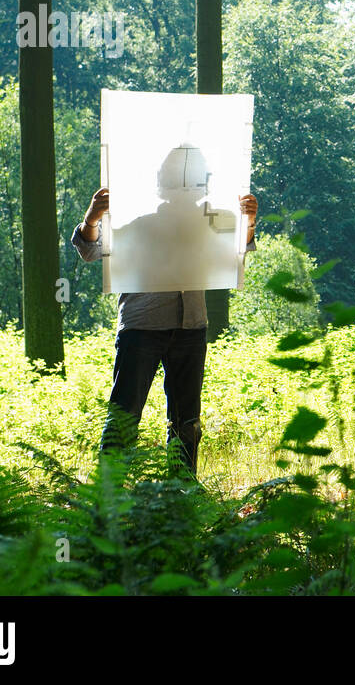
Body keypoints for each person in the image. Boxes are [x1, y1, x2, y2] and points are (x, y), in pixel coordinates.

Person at [72, 152, 258, 477]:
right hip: (141, 328)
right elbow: (90, 251)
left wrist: (249, 222)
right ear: (162, 186)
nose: (184, 190)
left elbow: (235, 254)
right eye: (177, 183)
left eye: (192, 183)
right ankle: (108, 496)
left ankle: (181, 493)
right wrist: (92, 219)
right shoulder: (141, 224)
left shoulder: (211, 225)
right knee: (124, 417)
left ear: (202, 188)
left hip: (192, 328)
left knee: (187, 421)